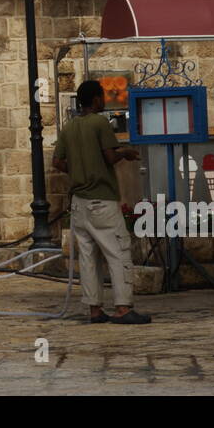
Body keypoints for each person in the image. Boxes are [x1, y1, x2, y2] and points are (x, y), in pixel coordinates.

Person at [53, 79, 151, 325]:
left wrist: (78, 170)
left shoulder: (69, 128)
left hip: (79, 203)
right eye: (102, 96)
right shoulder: (100, 123)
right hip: (102, 201)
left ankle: (94, 309)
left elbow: (58, 162)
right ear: (96, 99)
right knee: (118, 252)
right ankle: (122, 307)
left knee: (88, 258)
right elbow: (109, 156)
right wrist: (125, 153)